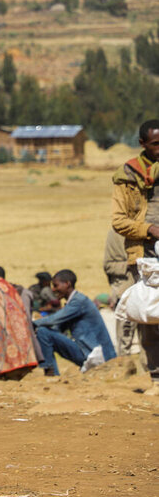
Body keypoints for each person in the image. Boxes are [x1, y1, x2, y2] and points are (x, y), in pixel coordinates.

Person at [111, 119, 159, 394]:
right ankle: (156, 378)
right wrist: (149, 229)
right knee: (150, 319)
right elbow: (119, 220)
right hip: (144, 254)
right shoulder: (128, 174)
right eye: (155, 144)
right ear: (142, 144)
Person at [33, 269, 117, 376]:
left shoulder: (79, 301)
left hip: (96, 354)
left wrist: (33, 323)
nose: (53, 289)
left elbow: (55, 319)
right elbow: (57, 328)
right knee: (44, 333)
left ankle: (51, 373)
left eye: (56, 285)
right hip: (87, 351)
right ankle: (51, 371)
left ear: (67, 284)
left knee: (43, 332)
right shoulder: (73, 303)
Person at [103, 228, 139, 355]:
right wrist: (129, 264)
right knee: (125, 335)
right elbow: (108, 265)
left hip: (148, 291)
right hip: (126, 290)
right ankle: (124, 365)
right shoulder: (116, 234)